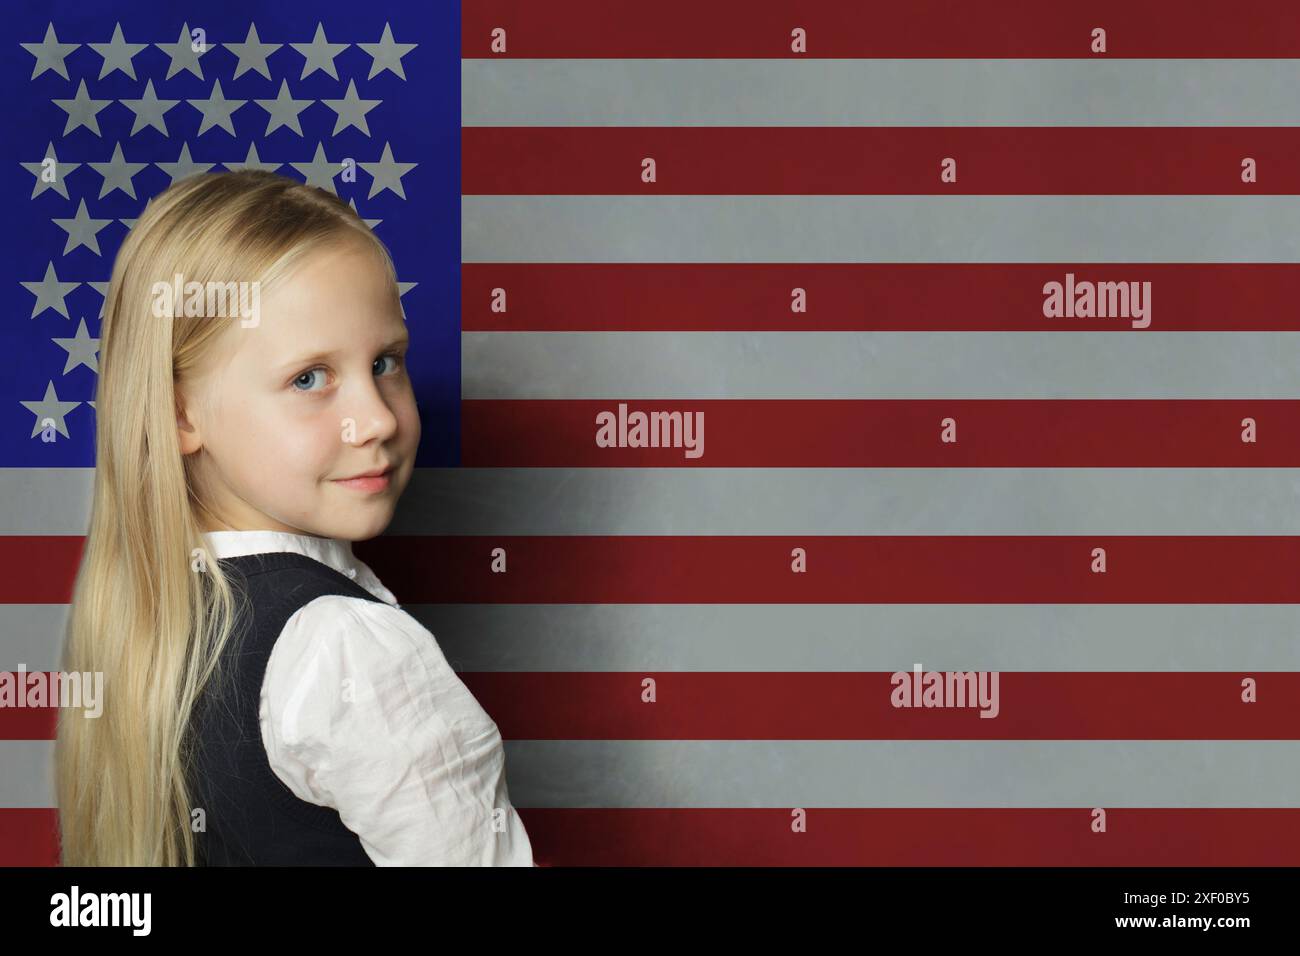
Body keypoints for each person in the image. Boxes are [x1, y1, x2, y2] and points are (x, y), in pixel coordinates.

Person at [54, 169, 534, 866]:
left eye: (385, 361)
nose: (375, 418)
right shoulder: (347, 646)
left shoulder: (145, 619)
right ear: (181, 412)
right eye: (309, 378)